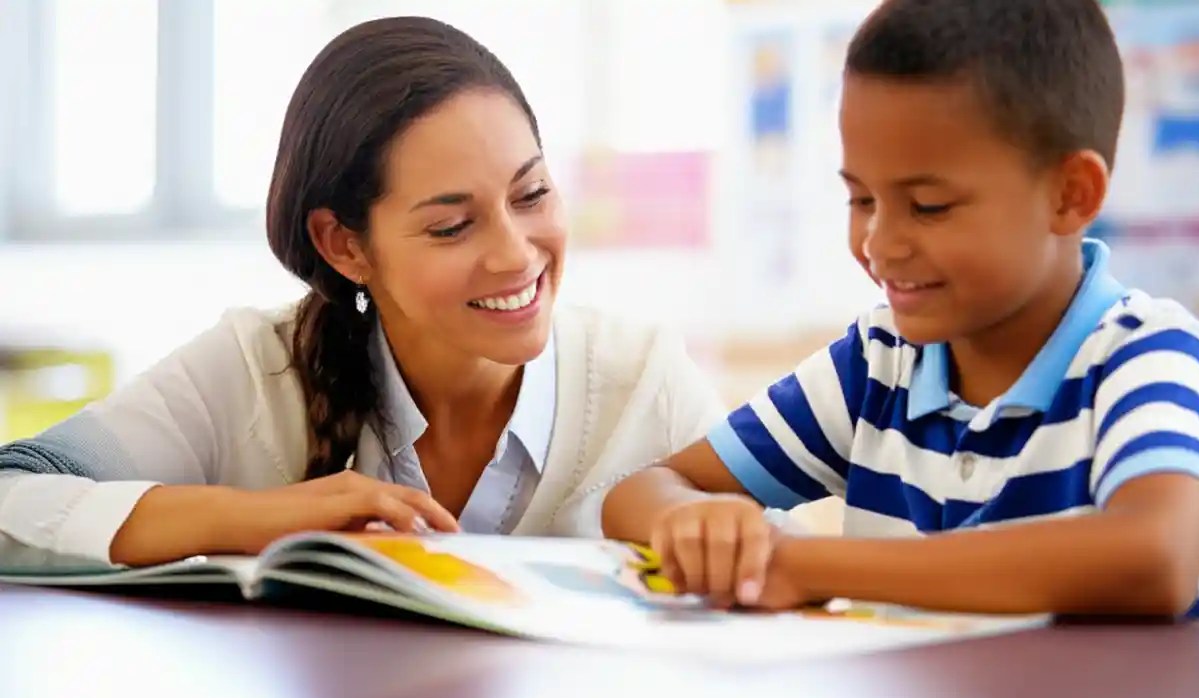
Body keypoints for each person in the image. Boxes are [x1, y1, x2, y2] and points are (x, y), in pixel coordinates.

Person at [0, 17, 723, 569]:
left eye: (531, 193)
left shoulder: (643, 385)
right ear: (344, 245)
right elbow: (13, 497)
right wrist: (251, 519)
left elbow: (774, 589)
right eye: (451, 226)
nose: (514, 253)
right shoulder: (260, 370)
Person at [602, 0, 1199, 620]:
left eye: (928, 206)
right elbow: (640, 493)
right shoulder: (879, 363)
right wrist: (697, 526)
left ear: (1071, 195)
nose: (879, 244)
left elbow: (1155, 560)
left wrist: (809, 565)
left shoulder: (1146, 352)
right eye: (860, 200)